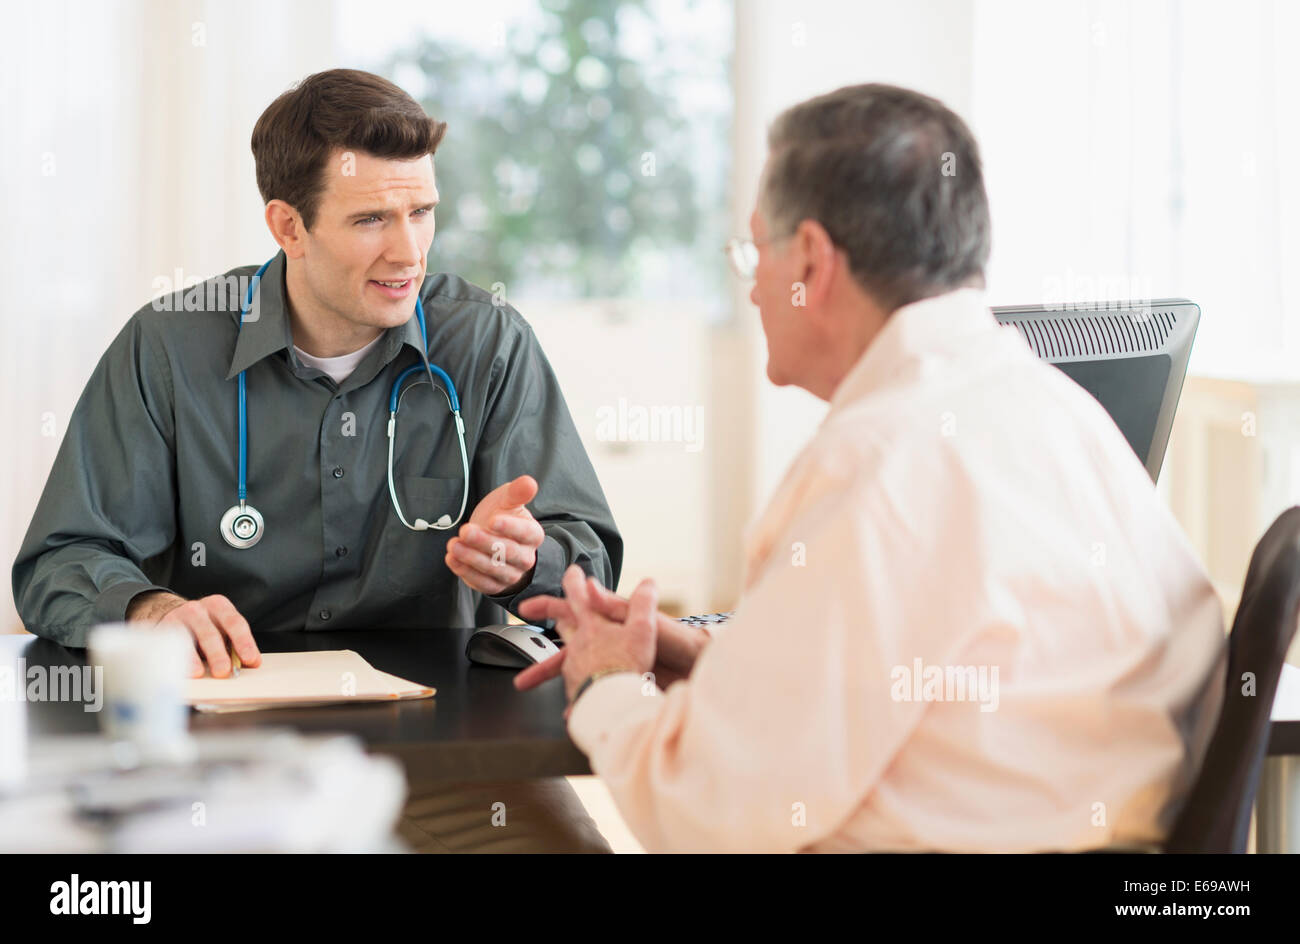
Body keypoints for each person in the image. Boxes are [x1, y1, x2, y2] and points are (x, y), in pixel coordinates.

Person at [515, 83, 1227, 853]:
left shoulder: (879, 457)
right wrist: (721, 662)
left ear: (813, 262)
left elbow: (710, 817)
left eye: (758, 252)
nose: (753, 288)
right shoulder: (1060, 412)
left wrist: (607, 684)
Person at [12, 68, 619, 853]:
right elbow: (62, 556)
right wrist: (149, 610)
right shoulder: (168, 348)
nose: (409, 252)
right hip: (220, 772)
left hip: (452, 763)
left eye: (422, 212)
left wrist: (532, 560)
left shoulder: (488, 344)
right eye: (371, 219)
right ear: (288, 226)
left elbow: (589, 557)